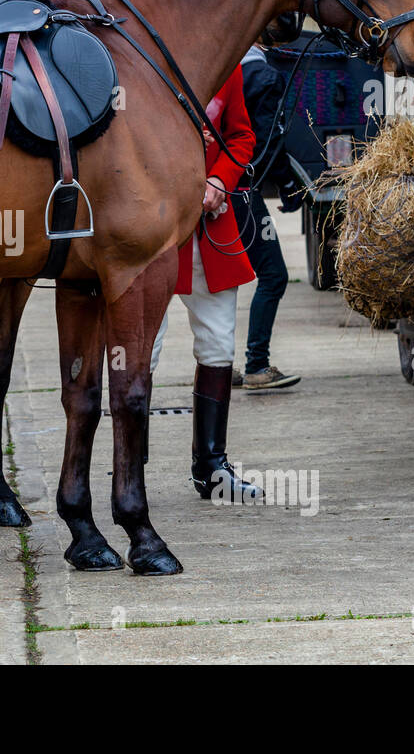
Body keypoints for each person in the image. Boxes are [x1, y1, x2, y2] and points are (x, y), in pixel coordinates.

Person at [149, 65, 263, 502]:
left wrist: (219, 180)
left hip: (212, 228)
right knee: (143, 351)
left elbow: (241, 136)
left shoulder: (227, 64)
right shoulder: (141, 55)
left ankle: (212, 469)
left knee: (218, 345)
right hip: (155, 229)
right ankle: (129, 470)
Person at [233, 44, 304, 390]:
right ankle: (256, 366)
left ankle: (214, 365)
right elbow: (266, 139)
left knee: (215, 284)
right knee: (274, 275)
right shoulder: (259, 75)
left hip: (207, 188)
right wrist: (289, 183)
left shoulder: (219, 66)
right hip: (239, 191)